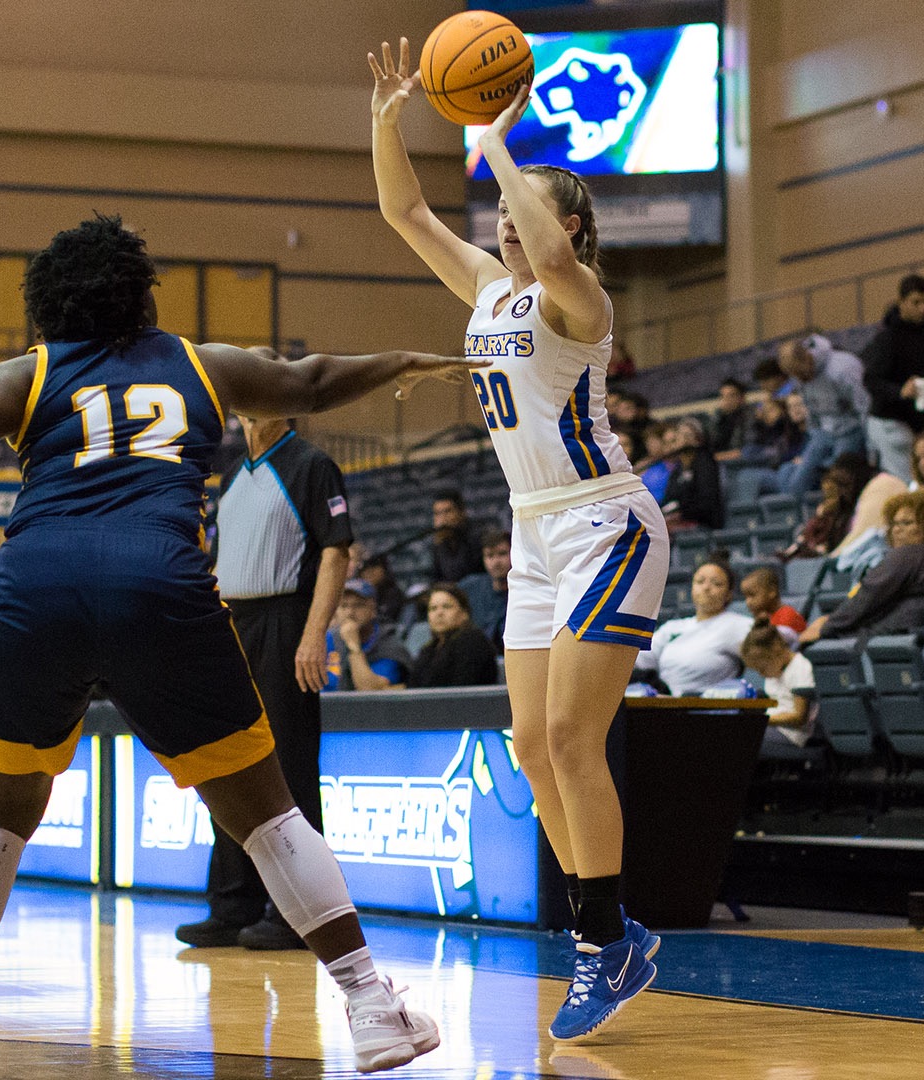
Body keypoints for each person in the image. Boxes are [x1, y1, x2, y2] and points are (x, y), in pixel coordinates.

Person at [0, 214, 465, 1076]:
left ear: (46, 306)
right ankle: (370, 1006)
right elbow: (309, 381)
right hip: (157, 584)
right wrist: (405, 360)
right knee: (267, 814)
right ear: (142, 295)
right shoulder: (204, 363)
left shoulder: (25, 374)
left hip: (31, 590)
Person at [371, 44, 664, 1040]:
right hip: (534, 532)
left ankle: (599, 943)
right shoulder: (491, 290)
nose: (501, 221)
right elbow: (405, 214)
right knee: (532, 748)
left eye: (521, 209)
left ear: (569, 226)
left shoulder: (579, 299)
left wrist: (494, 139)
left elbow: (553, 261)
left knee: (575, 738)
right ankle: (614, 933)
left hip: (606, 521)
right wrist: (388, 119)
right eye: (497, 207)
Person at [179, 403, 354, 952]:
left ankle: (298, 913)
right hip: (233, 623)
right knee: (227, 763)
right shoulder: (233, 472)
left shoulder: (312, 464)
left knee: (290, 769)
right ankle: (233, 905)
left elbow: (336, 553)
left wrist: (314, 633)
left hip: (286, 620)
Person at [798, 487, 924, 641]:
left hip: (884, 642)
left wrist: (826, 626)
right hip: (897, 639)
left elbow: (870, 594)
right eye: (894, 523)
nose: (896, 529)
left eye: (906, 523)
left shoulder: (911, 554)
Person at [860, 273, 924, 477]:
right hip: (889, 420)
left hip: (916, 419)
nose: (922, 308)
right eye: (916, 302)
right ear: (901, 302)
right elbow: (870, 380)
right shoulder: (887, 338)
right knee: (905, 478)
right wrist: (899, 391)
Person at [635, 559, 753, 695]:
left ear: (729, 594)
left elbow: (767, 648)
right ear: (692, 588)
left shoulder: (737, 625)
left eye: (716, 583)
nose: (706, 587)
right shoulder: (673, 628)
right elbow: (637, 660)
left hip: (705, 703)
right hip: (662, 699)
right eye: (700, 581)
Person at [776, 335, 866, 495]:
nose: (799, 379)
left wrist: (871, 446)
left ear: (807, 358)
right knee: (796, 483)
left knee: (838, 480)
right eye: (794, 375)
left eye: (799, 373)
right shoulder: (798, 377)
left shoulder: (842, 368)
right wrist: (813, 436)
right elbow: (811, 411)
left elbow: (864, 408)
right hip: (822, 432)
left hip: (851, 429)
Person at [739, 620, 817, 752]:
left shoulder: (800, 668)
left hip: (793, 735)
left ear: (776, 652)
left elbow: (799, 717)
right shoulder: (776, 669)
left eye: (762, 669)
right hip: (775, 727)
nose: (761, 675)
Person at [326, 578, 411, 690]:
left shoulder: (389, 645)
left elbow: (369, 691)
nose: (349, 612)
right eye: (344, 606)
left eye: (358, 605)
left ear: (373, 610)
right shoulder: (327, 639)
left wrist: (353, 646)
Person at [409, 584, 501, 687]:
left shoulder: (472, 642)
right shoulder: (428, 649)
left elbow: (462, 688)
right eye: (433, 608)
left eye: (446, 607)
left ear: (464, 613)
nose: (439, 613)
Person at [782, 458, 867, 559]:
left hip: (828, 559)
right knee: (786, 468)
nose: (828, 496)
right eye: (826, 493)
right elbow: (801, 542)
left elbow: (830, 551)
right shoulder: (822, 515)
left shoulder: (849, 518)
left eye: (832, 492)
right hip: (811, 556)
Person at [662, 418, 725, 529]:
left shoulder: (705, 463)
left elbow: (707, 501)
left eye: (687, 435)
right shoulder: (678, 468)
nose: (682, 439)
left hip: (702, 523)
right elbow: (669, 496)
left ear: (698, 439)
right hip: (678, 518)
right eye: (680, 435)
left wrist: (682, 513)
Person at [458, 528, 512, 646]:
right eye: (490, 555)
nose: (496, 562)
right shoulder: (469, 587)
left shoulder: (526, 590)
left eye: (502, 554)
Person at [428, 490, 485, 583]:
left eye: (447, 511)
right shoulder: (439, 542)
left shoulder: (478, 536)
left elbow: (469, 573)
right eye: (437, 513)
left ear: (461, 512)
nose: (442, 518)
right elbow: (436, 577)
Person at [740, 566, 805, 637]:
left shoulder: (786, 616)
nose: (748, 602)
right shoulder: (765, 616)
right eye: (746, 597)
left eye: (752, 595)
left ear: (772, 592)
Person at [706, 377, 750, 460]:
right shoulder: (718, 417)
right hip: (721, 462)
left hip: (743, 462)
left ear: (742, 398)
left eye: (731, 396)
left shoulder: (750, 416)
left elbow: (748, 449)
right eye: (723, 396)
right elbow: (711, 443)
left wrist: (715, 457)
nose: (727, 400)